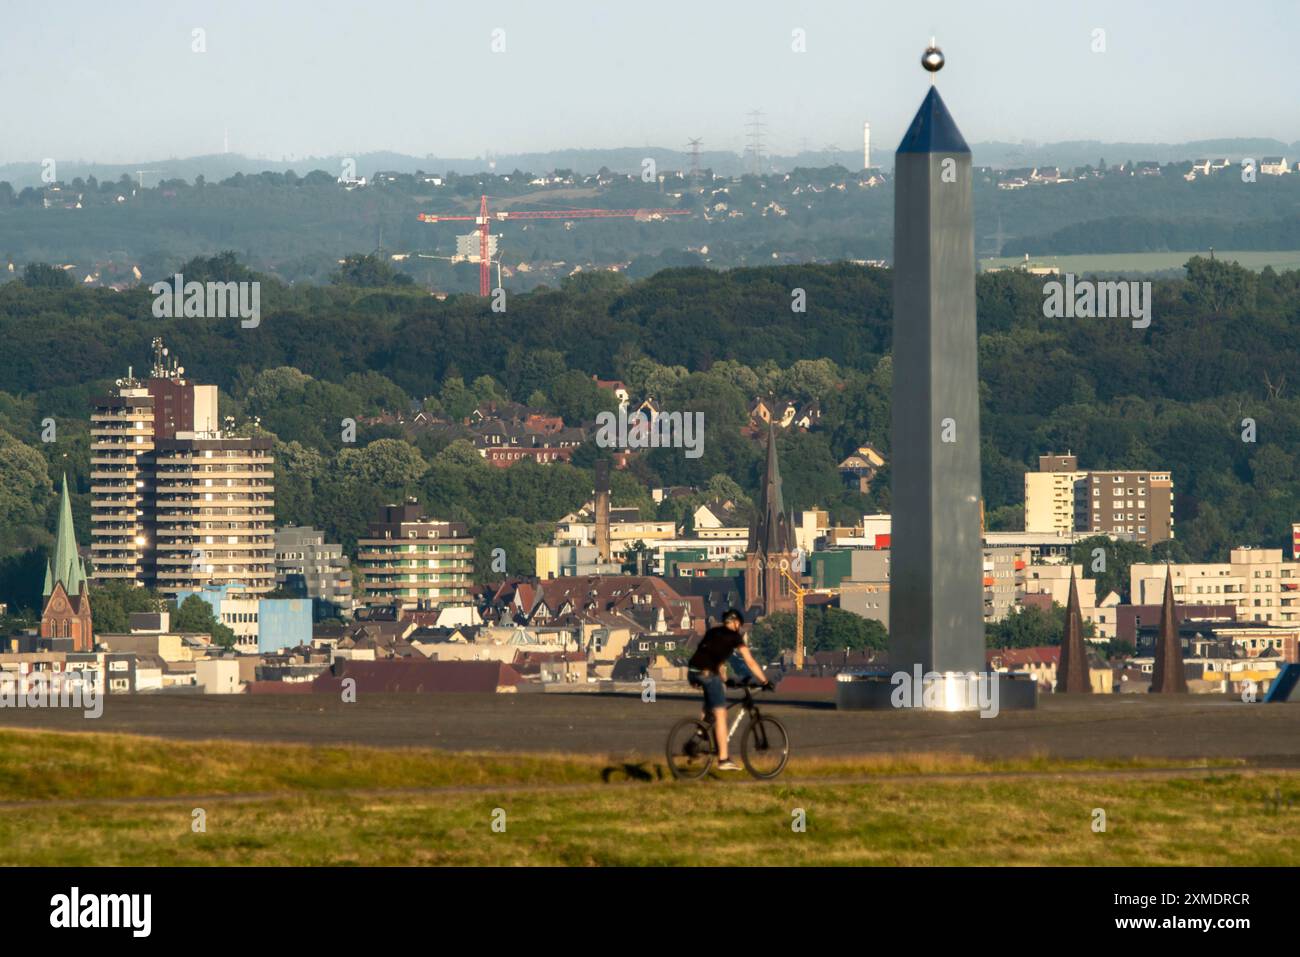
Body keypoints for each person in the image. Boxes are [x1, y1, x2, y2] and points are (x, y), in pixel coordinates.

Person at [687, 608, 772, 770]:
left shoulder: (713, 632)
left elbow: (712, 656)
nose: (739, 627)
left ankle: (699, 734)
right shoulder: (734, 637)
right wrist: (765, 681)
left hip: (693, 672)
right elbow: (750, 661)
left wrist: (725, 681)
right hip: (707, 674)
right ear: (735, 623)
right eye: (738, 624)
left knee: (712, 703)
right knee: (721, 713)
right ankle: (724, 759)